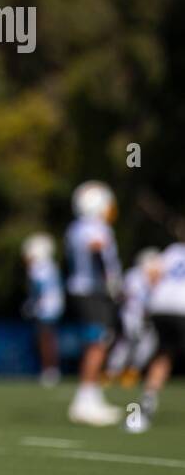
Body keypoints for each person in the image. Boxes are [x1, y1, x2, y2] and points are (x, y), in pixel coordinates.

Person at [64, 180, 124, 426]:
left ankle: (91, 396)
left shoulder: (78, 227)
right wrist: (109, 280)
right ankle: (85, 399)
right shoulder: (93, 227)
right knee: (97, 343)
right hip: (92, 291)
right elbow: (96, 248)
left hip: (86, 291)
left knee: (98, 342)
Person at [131, 242, 181, 433]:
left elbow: (152, 274)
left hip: (160, 307)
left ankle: (142, 409)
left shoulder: (173, 250)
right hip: (181, 308)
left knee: (163, 355)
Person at [106, 248, 159, 389]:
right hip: (132, 315)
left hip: (142, 315)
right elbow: (127, 296)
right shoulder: (135, 275)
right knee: (128, 343)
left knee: (144, 343)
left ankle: (129, 372)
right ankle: (114, 372)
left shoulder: (145, 276)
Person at [22, 232, 64, 387]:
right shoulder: (50, 265)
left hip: (45, 308)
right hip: (53, 306)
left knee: (45, 340)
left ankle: (49, 370)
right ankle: (51, 370)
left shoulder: (38, 267)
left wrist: (31, 304)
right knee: (50, 339)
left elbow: (38, 288)